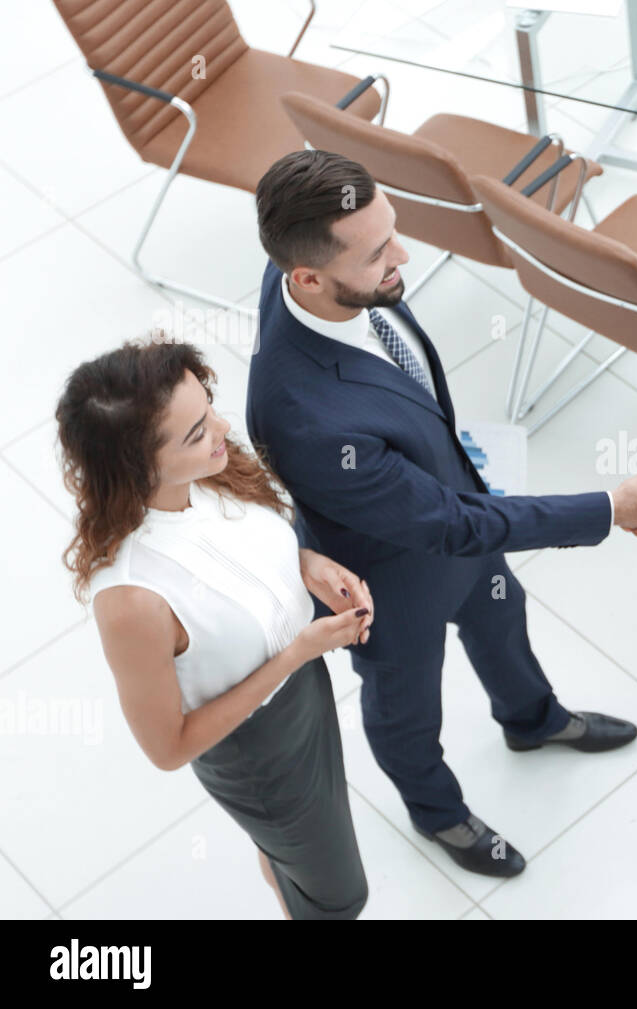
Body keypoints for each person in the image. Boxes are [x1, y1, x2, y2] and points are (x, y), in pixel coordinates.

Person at [245, 149, 637, 879]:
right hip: (392, 579)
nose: (404, 255)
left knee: (501, 621)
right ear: (308, 277)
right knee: (406, 707)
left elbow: (455, 512)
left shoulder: (309, 266)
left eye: (392, 229)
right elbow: (449, 523)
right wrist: (608, 508)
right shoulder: (308, 417)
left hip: (455, 512)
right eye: (377, 253)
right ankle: (437, 812)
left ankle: (533, 720)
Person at [60, 339, 375, 919]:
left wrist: (305, 565)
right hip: (258, 751)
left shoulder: (210, 471)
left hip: (304, 692)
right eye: (197, 431)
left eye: (209, 408)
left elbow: (238, 554)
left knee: (294, 858)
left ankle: (282, 880)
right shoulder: (133, 599)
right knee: (340, 896)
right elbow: (168, 747)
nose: (223, 427)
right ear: (138, 465)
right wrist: (294, 655)